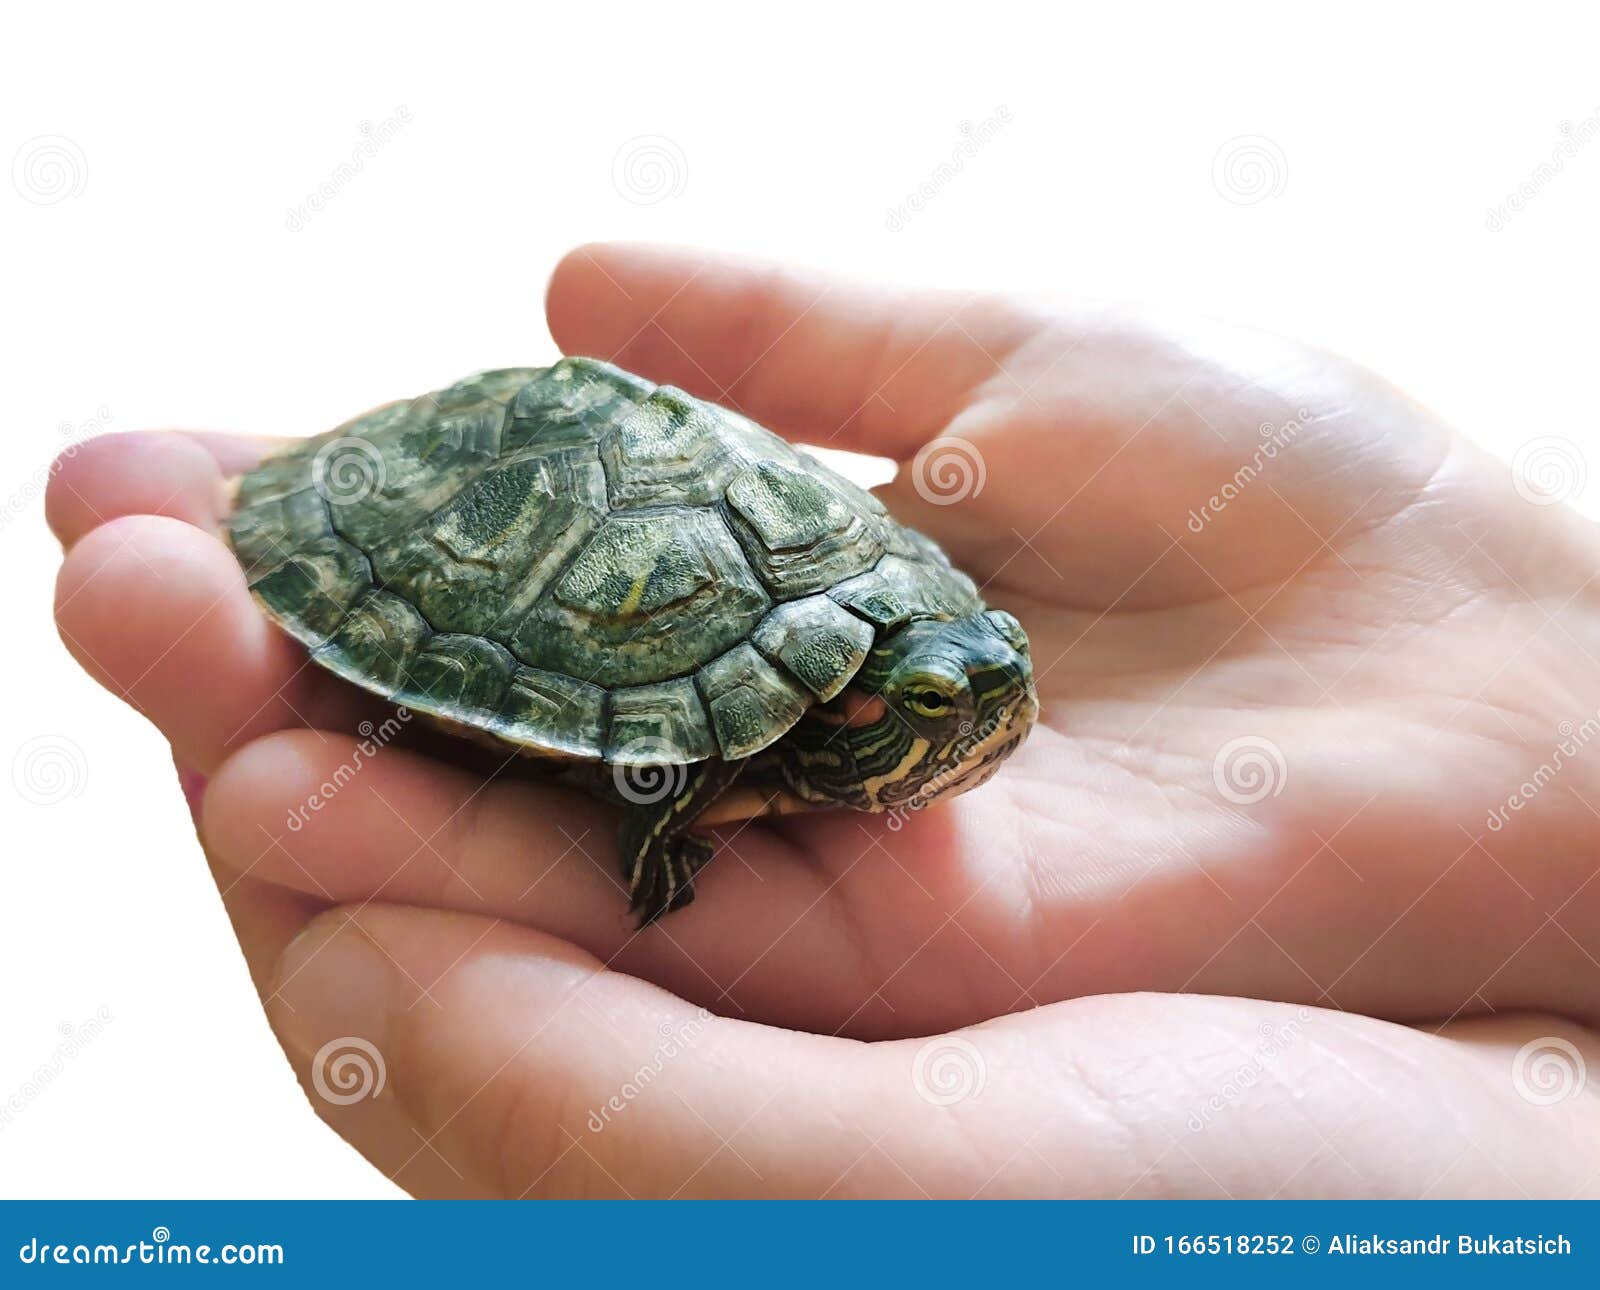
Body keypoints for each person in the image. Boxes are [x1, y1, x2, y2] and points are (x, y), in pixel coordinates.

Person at [49, 243, 1599, 1198]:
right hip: (481, 493)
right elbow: (661, 740)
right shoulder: (734, 735)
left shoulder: (883, 667)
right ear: (851, 715)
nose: (990, 700)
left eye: (977, 673)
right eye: (935, 704)